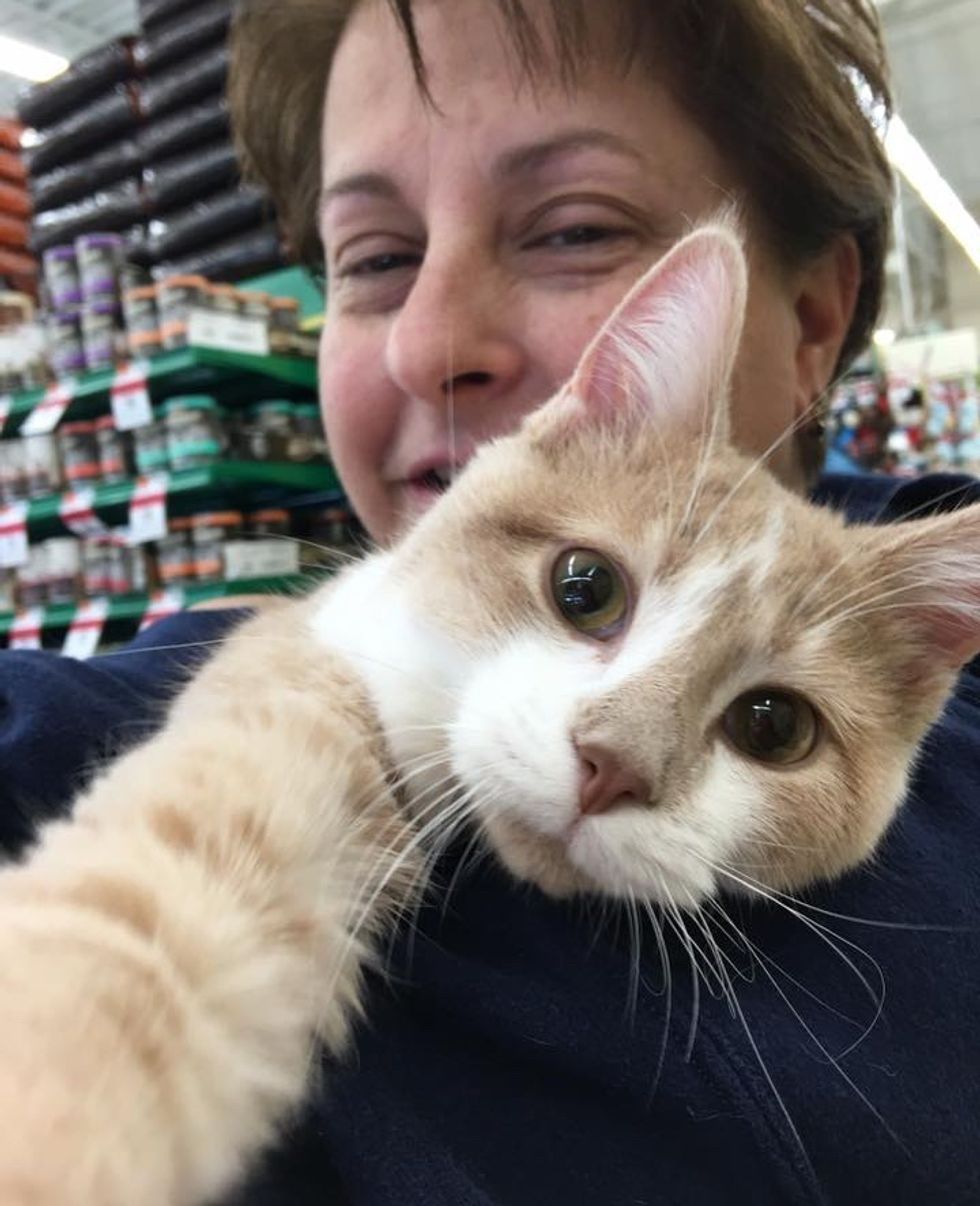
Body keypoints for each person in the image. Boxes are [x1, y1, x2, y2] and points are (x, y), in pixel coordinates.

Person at [1, 1, 979, 1202]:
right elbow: (252, 786)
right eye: (372, 258)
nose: (613, 754)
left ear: (816, 318)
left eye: (571, 229)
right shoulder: (130, 709)